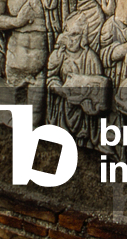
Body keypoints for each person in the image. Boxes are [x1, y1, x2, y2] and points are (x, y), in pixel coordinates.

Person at [47, 14, 109, 147]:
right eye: (68, 33)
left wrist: (89, 101)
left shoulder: (91, 57)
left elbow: (99, 87)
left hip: (84, 114)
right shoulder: (60, 55)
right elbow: (51, 78)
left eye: (75, 34)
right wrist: (61, 90)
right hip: (63, 109)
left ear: (83, 36)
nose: (71, 39)